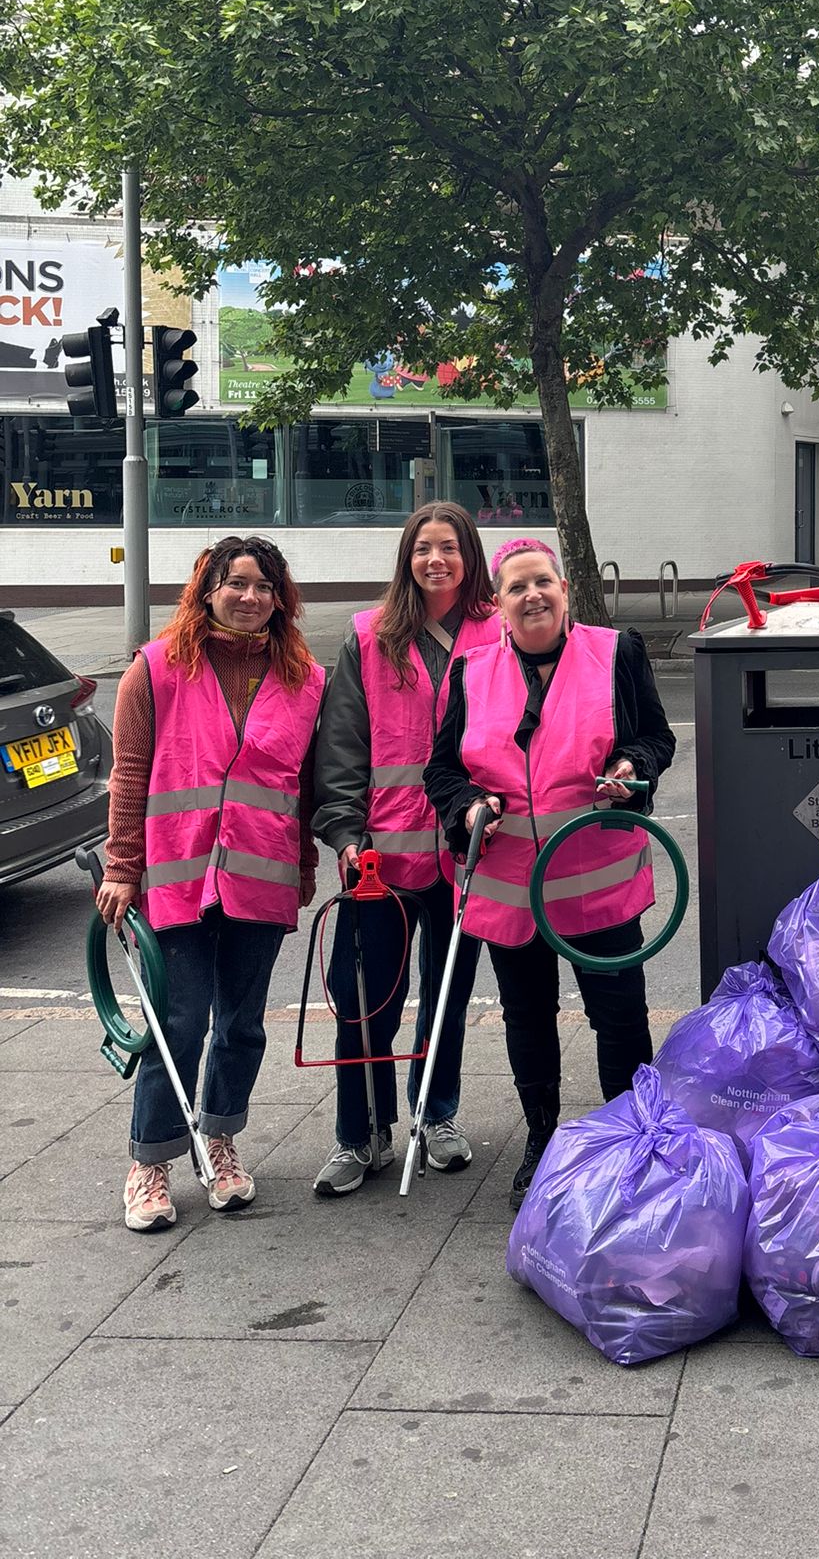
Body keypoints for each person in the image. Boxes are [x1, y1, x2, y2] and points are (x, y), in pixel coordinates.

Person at [425, 536, 677, 1209]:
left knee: (619, 1016)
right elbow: (441, 769)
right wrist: (469, 805)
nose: (532, 595)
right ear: (498, 605)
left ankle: (633, 1137)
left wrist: (631, 767)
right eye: (517, 587)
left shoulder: (616, 651)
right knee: (527, 1016)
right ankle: (542, 1137)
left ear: (565, 591)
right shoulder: (470, 672)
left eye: (544, 583)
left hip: (599, 881)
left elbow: (656, 738)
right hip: (512, 890)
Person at [94, 537, 325, 1232]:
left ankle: (218, 1140)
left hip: (263, 875)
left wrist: (306, 864)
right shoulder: (156, 668)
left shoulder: (307, 679)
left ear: (281, 599)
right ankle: (151, 1160)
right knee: (181, 1021)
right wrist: (120, 865)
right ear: (207, 590)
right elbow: (130, 774)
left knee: (243, 1025)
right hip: (178, 876)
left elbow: (306, 787)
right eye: (236, 584)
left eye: (264, 586)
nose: (251, 597)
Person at [310, 503, 502, 1196]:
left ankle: (434, 1115)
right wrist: (344, 833)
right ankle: (360, 1134)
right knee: (364, 1004)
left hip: (467, 854)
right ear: (406, 558)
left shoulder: (498, 631)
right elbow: (342, 750)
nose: (436, 561)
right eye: (424, 549)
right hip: (379, 859)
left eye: (449, 548)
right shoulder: (367, 635)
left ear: (469, 556)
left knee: (445, 997)